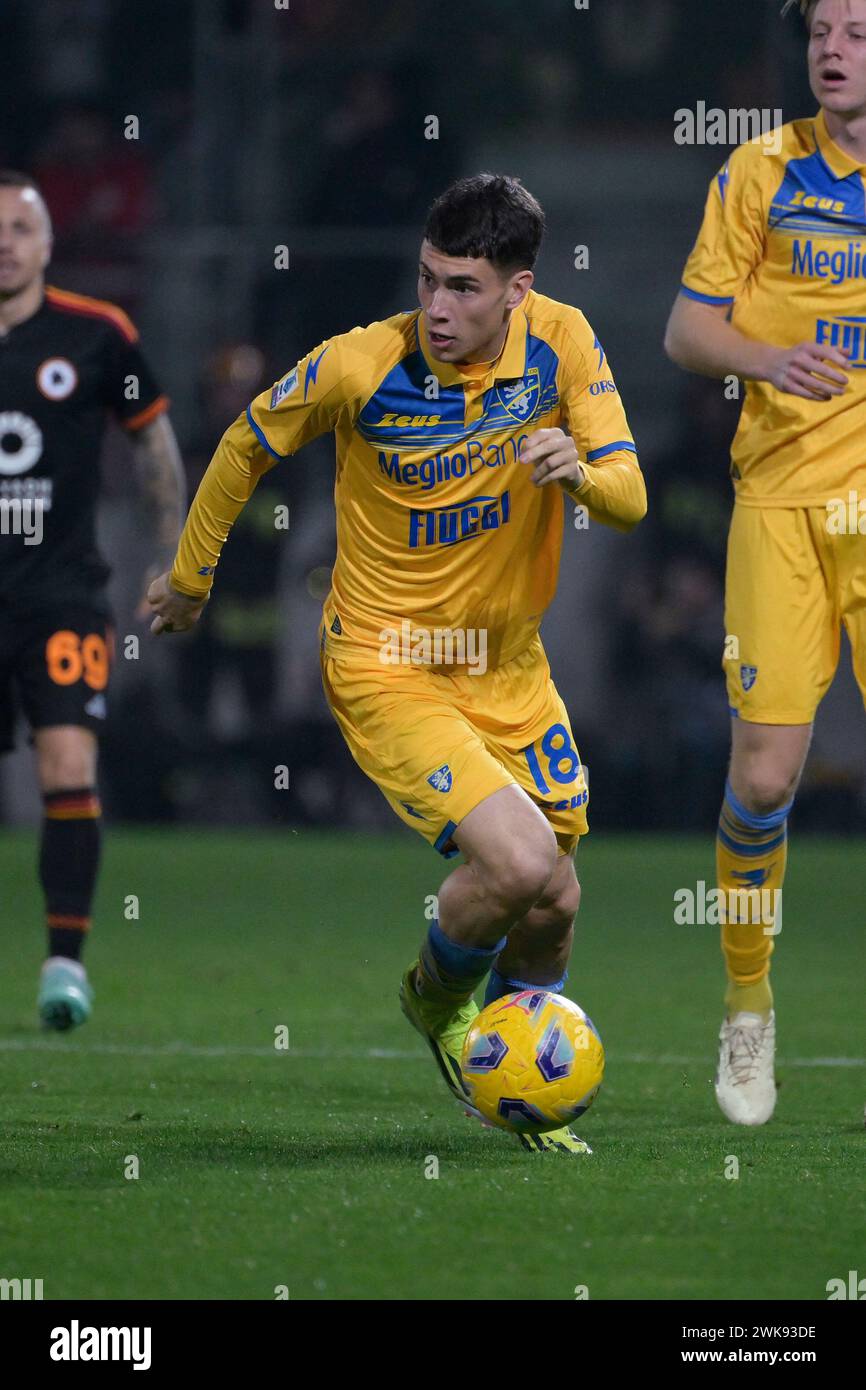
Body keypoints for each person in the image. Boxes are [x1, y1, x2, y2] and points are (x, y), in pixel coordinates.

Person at [148, 173, 646, 1155]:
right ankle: (435, 1003)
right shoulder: (362, 364)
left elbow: (626, 487)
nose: (436, 307)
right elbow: (247, 441)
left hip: (507, 666)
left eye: (462, 287)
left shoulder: (562, 341)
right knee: (516, 859)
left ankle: (514, 1075)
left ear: (517, 289)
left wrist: (578, 471)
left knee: (555, 903)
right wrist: (190, 578)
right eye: (426, 280)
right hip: (389, 659)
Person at [664, 0, 866, 1124]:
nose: (831, 50)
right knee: (761, 779)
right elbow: (687, 332)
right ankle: (747, 1013)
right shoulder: (757, 169)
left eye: (856, 31)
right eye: (819, 31)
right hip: (780, 504)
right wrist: (766, 358)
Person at [0, 170, 185, 1029]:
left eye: (21, 228)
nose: (5, 241)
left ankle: (63, 967)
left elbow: (152, 442)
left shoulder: (96, 336)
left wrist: (174, 555)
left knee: (68, 767)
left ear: (46, 243)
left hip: (63, 595)